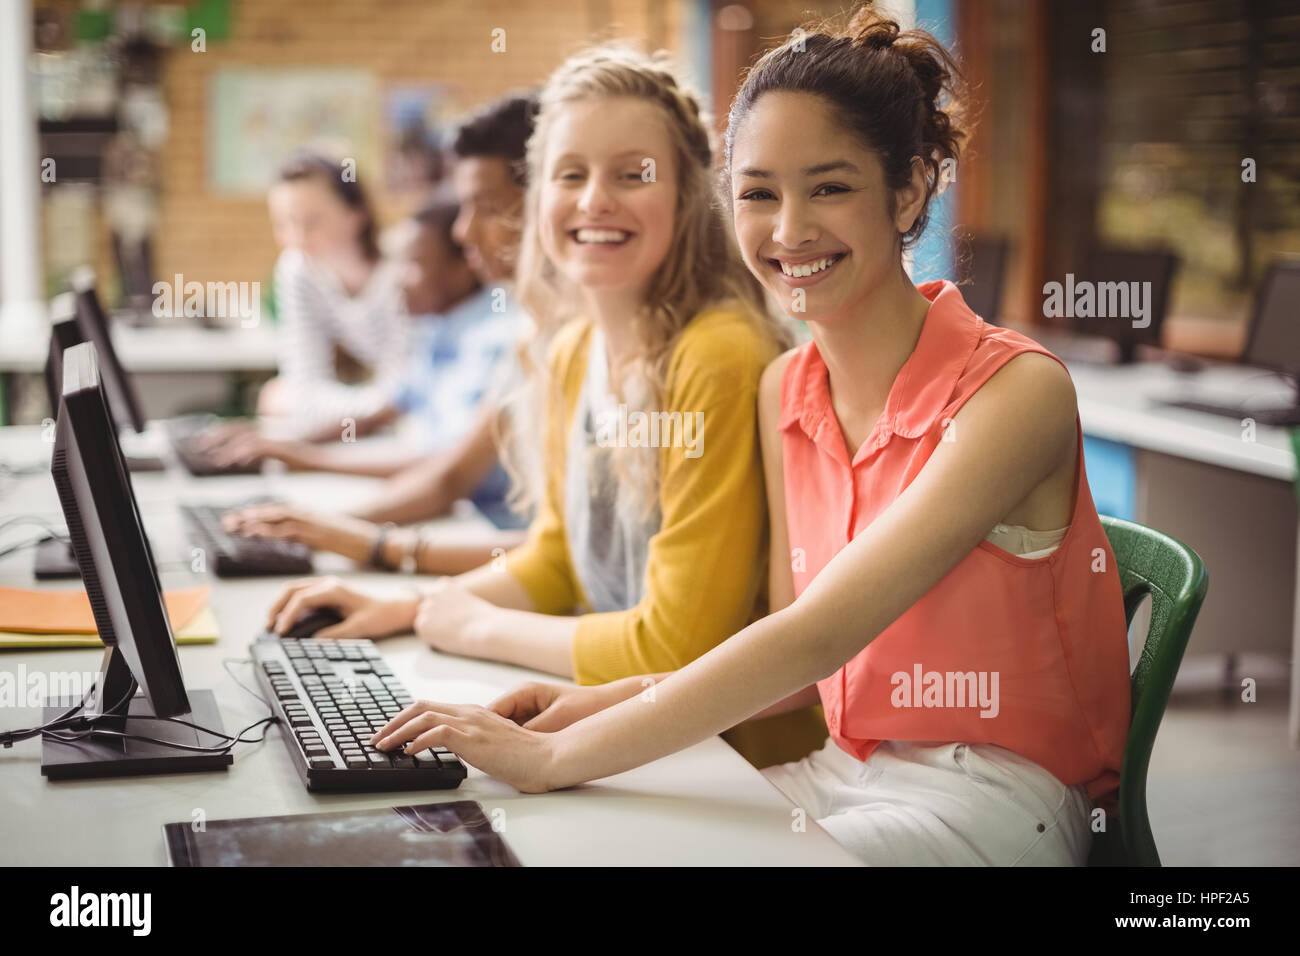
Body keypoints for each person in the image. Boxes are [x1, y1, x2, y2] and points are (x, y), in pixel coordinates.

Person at [358, 7, 1133, 867]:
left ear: (910, 188)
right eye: (759, 193)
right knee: (559, 844)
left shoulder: (1015, 393)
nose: (790, 228)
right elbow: (798, 645)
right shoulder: (785, 389)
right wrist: (612, 700)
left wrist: (552, 757)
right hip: (841, 768)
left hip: (991, 796)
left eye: (830, 186)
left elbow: (819, 636)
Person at [265, 46, 830, 769]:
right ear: (539, 200)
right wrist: (409, 609)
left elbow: (675, 645)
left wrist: (474, 629)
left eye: (633, 174)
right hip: (624, 732)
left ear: (688, 195)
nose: (595, 199)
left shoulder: (715, 354)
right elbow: (560, 559)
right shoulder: (571, 349)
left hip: (731, 762)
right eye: (572, 174)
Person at [220, 94, 540, 575]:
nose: (463, 232)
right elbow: (394, 410)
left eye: (486, 208)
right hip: (473, 537)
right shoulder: (474, 329)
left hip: (482, 534)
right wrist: (299, 467)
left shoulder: (504, 332)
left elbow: (446, 471)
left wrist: (333, 519)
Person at [257, 151, 409, 439]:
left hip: (416, 427)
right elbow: (305, 389)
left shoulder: (405, 273)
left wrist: (303, 402)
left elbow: (407, 399)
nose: (297, 238)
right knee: (275, 396)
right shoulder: (297, 270)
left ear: (356, 215)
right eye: (284, 223)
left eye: (312, 222)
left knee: (279, 397)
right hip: (379, 413)